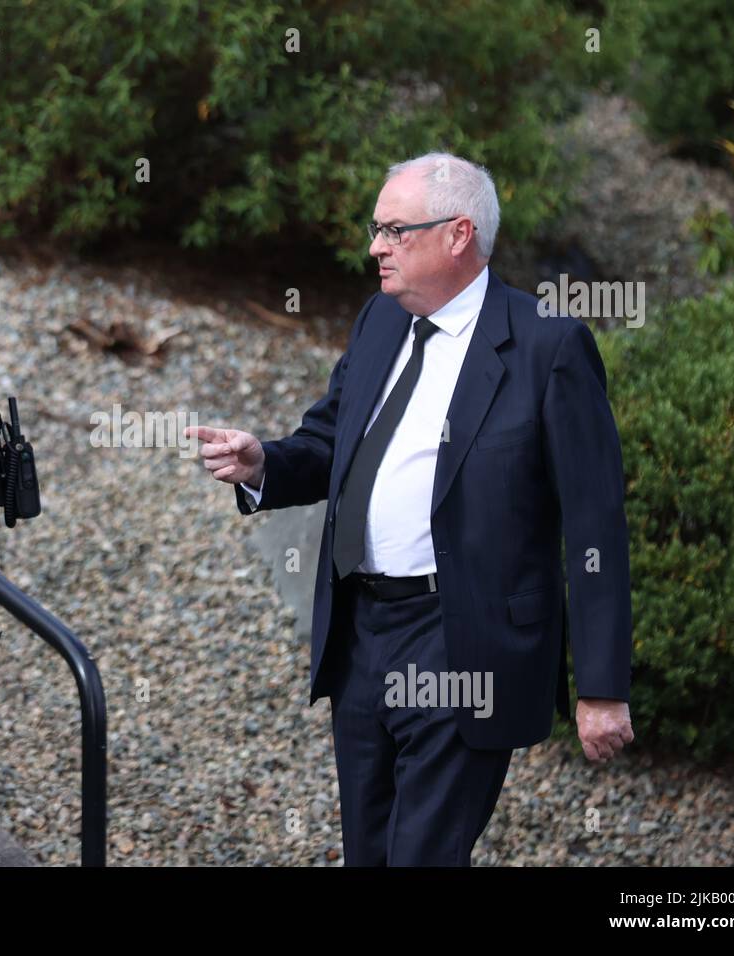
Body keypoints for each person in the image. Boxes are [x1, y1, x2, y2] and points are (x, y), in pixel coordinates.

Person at [187, 152, 634, 866]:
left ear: (458, 235)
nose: (374, 247)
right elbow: (333, 439)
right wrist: (265, 463)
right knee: (369, 852)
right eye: (376, 229)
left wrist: (604, 689)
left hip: (466, 641)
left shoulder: (549, 346)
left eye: (394, 231)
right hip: (362, 633)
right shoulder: (382, 321)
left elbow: (595, 524)